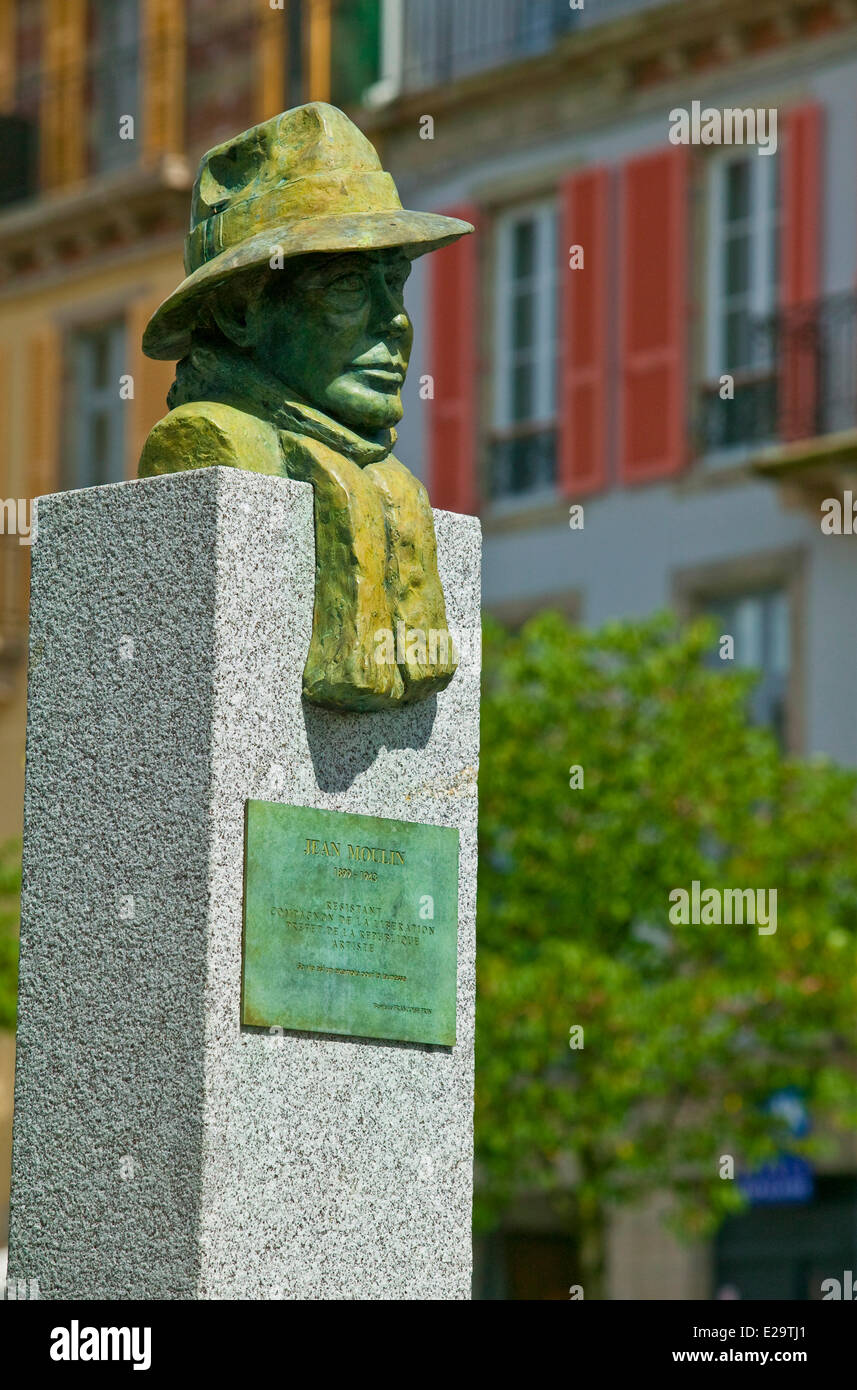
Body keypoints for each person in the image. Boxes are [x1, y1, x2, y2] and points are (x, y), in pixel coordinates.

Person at [139, 101, 474, 711]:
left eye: (393, 284)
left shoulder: (384, 482)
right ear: (242, 312)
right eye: (347, 287)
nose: (395, 321)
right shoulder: (211, 445)